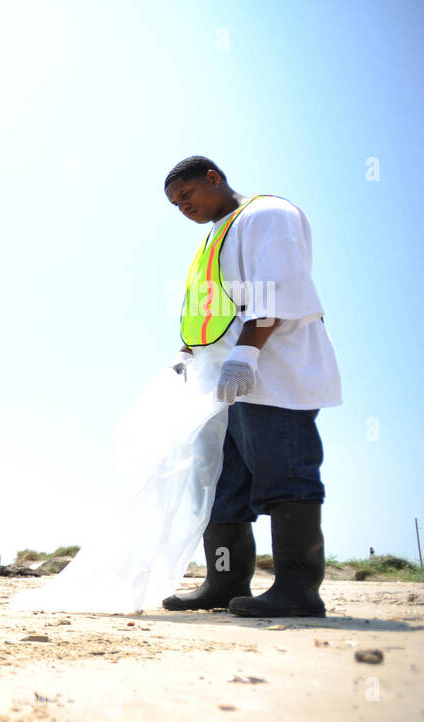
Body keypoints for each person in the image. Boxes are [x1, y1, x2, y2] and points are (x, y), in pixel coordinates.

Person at [159, 156, 340, 617]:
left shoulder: (265, 214)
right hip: (223, 380)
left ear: (214, 179)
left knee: (285, 472)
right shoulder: (216, 237)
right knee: (221, 483)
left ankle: (298, 589)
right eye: (175, 203)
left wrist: (247, 353)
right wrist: (189, 351)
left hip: (272, 373)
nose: (183, 207)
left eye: (187, 194)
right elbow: (214, 305)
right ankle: (223, 581)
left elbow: (274, 289)